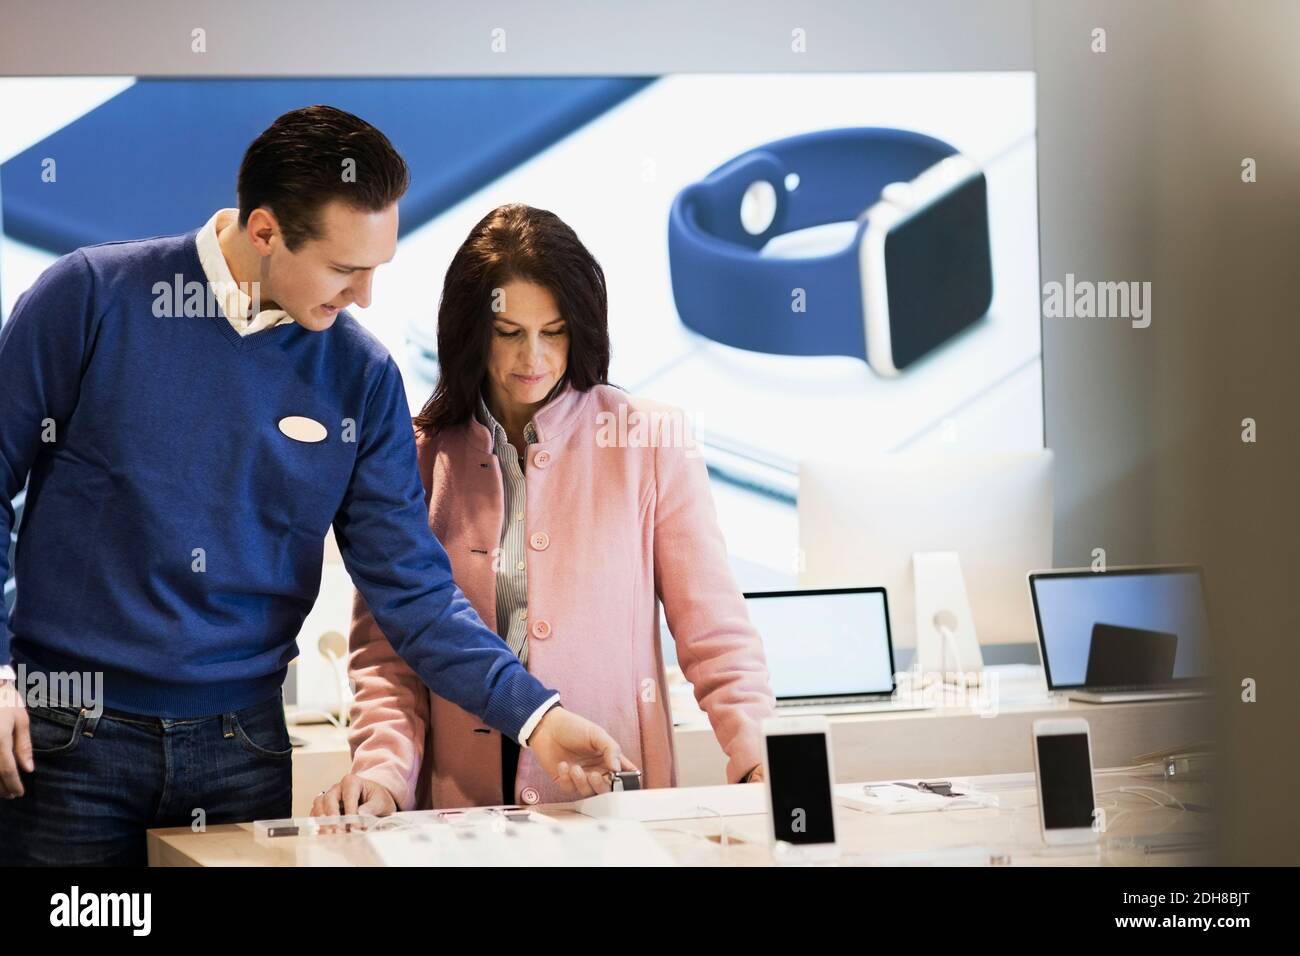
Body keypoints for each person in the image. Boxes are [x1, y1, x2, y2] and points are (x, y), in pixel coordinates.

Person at [0, 108, 627, 866]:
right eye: (342, 269)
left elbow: (415, 595)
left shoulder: (361, 378)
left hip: (242, 752)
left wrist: (538, 717)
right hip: (66, 736)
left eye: (376, 268)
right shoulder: (88, 299)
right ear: (264, 231)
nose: (363, 295)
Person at [314, 203, 774, 816]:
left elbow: (715, 635)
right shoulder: (416, 455)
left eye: (553, 332)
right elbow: (388, 656)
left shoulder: (650, 441)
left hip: (610, 797)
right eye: (509, 334)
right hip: (461, 811)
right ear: (472, 332)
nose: (533, 357)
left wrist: (761, 757)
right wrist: (381, 773)